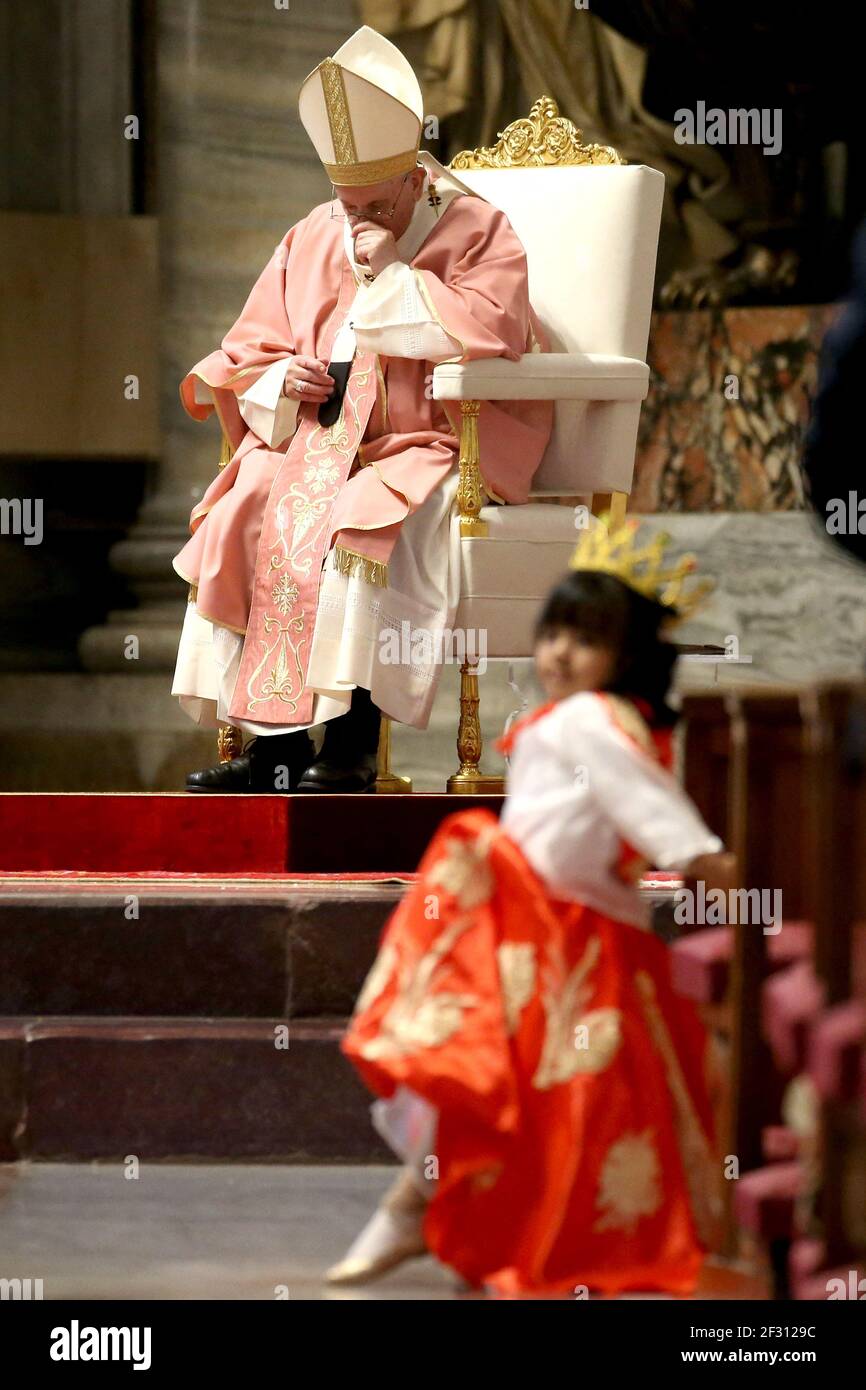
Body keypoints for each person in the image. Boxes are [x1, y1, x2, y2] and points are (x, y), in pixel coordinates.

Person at [329, 517, 736, 1295]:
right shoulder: (591, 721)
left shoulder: (596, 722)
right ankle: (430, 1207)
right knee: (533, 1086)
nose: (557, 653)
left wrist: (706, 861)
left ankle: (431, 1208)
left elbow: (650, 819)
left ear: (629, 655)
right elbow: (668, 830)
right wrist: (720, 868)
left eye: (585, 640)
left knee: (514, 1087)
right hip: (551, 936)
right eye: (554, 632)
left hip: (569, 938)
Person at [171, 25, 551, 794]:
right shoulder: (314, 232)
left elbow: (494, 331)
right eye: (346, 205)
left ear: (415, 178)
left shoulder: (479, 231)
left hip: (424, 439)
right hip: (317, 438)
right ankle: (274, 749)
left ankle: (349, 747)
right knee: (244, 504)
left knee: (356, 522)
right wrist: (284, 379)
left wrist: (394, 278)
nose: (355, 224)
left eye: (375, 205)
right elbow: (245, 350)